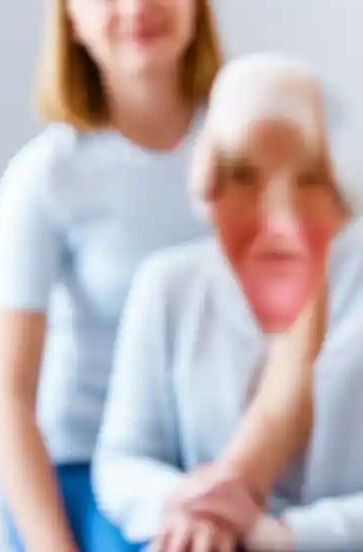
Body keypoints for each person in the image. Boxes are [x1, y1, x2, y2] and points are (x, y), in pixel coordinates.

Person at [0, 0, 223, 551]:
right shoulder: (47, 177)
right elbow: (8, 398)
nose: (134, 3)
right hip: (85, 468)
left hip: (226, 459)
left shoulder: (247, 145)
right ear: (73, 20)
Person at [94, 54, 363, 552]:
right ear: (210, 183)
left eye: (299, 177)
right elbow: (122, 459)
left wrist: (282, 538)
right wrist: (194, 509)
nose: (272, 209)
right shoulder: (166, 286)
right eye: (243, 176)